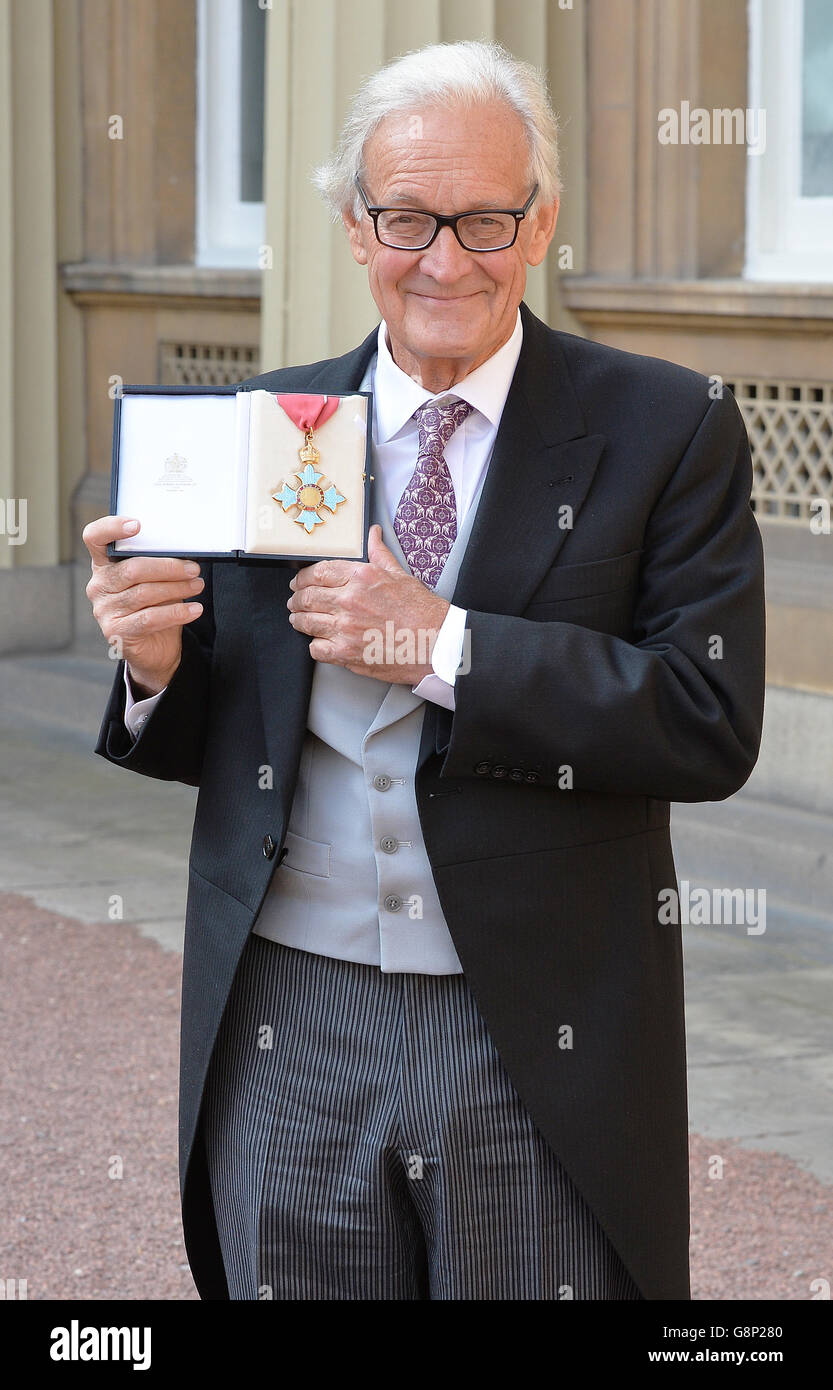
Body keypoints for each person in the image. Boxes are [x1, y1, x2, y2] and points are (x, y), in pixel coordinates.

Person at [83, 39, 766, 1301]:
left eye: (484, 219)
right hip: (286, 1018)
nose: (443, 258)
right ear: (354, 226)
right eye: (405, 216)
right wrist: (154, 662)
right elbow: (222, 737)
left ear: (541, 222)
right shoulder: (262, 429)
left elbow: (705, 721)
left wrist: (445, 644)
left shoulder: (667, 427)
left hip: (530, 1031)